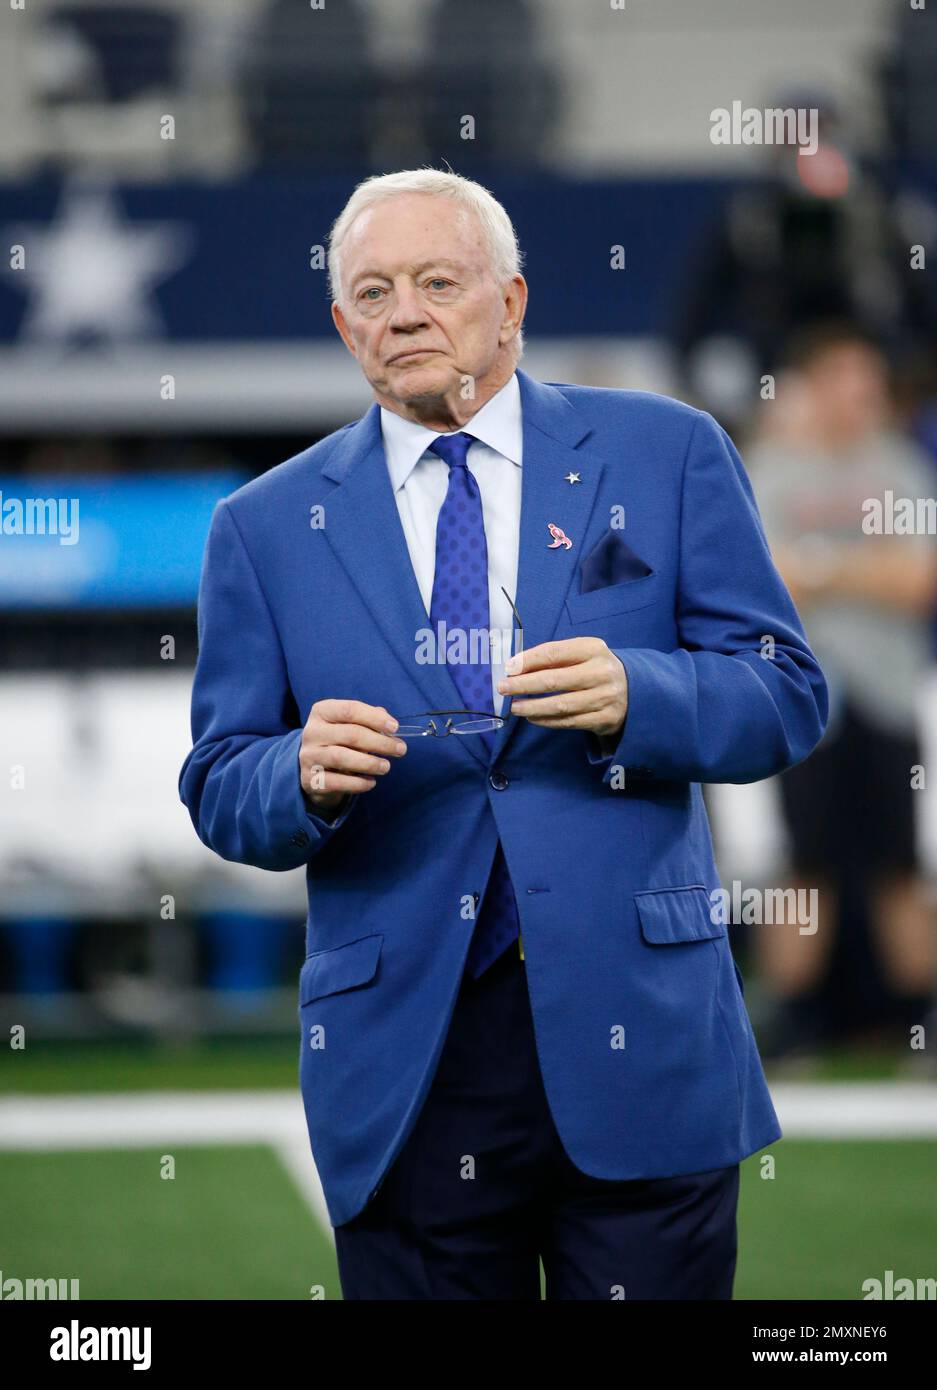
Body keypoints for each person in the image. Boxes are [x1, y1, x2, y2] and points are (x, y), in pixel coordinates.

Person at [179, 169, 827, 1300]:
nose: (405, 314)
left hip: (641, 1034)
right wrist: (297, 773)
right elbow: (220, 779)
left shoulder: (666, 452)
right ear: (343, 328)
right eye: (372, 293)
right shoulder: (262, 525)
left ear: (511, 301)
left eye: (438, 281)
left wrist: (643, 692)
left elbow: (785, 693)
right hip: (409, 1065)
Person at [749, 322, 937, 1057]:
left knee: (901, 862)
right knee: (802, 861)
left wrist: (820, 569)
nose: (856, 397)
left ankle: (919, 1018)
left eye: (866, 382)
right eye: (842, 380)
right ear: (813, 384)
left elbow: (918, 581)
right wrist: (860, 570)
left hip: (887, 694)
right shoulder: (771, 466)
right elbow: (762, 581)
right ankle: (791, 1019)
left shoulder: (900, 464)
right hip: (799, 698)